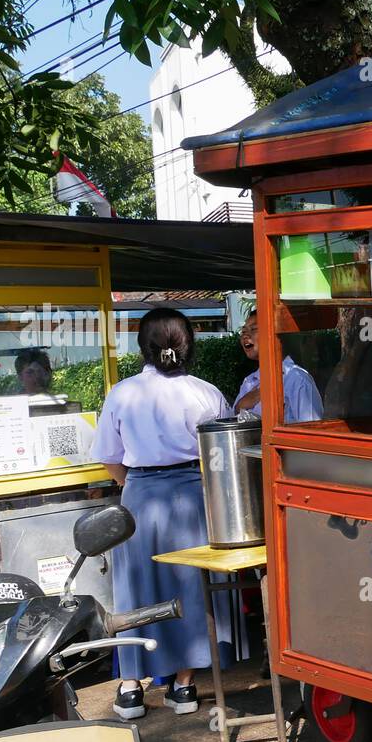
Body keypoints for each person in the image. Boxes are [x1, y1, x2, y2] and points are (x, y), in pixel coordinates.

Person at [91, 308, 233, 720]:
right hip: (193, 496)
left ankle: (132, 689)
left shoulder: (122, 393)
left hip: (139, 497)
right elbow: (222, 454)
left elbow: (109, 457)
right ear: (189, 343)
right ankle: (184, 687)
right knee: (191, 587)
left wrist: (128, 485)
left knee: (136, 589)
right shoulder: (205, 393)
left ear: (143, 346)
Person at [233, 308, 323, 423]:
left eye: (254, 329)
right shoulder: (249, 382)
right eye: (243, 332)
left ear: (274, 334)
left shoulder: (297, 379)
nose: (246, 336)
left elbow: (311, 430)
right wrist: (241, 404)